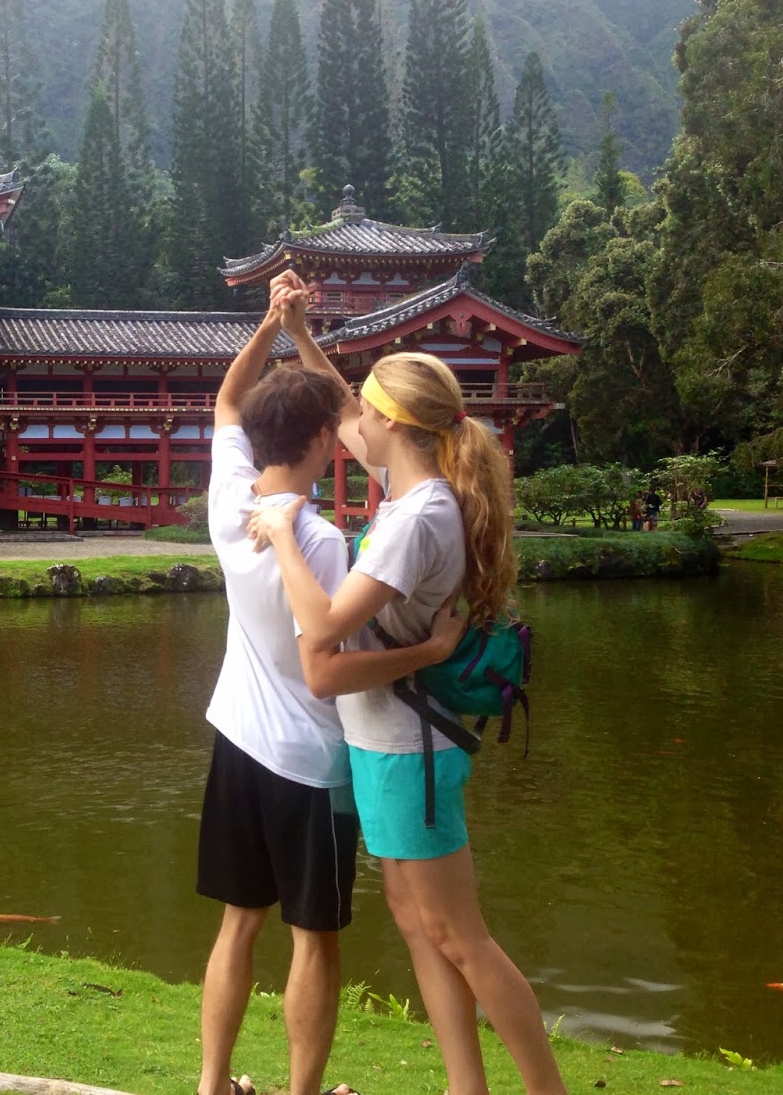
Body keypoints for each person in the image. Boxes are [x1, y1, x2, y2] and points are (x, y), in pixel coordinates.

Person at [248, 274, 570, 1095]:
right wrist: (300, 331)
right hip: (387, 744)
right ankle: (469, 1087)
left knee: (462, 937)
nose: (351, 423)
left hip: (407, 749)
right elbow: (348, 407)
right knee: (422, 928)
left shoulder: (419, 514)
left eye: (366, 411)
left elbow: (322, 627)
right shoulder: (412, 491)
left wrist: (284, 528)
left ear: (393, 423)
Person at [197, 299, 464, 1095]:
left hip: (234, 743)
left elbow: (223, 401)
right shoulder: (318, 541)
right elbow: (332, 666)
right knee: (314, 940)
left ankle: (212, 1083)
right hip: (312, 765)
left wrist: (274, 328)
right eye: (334, 431)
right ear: (320, 441)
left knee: (237, 923)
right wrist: (430, 650)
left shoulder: (227, 502)